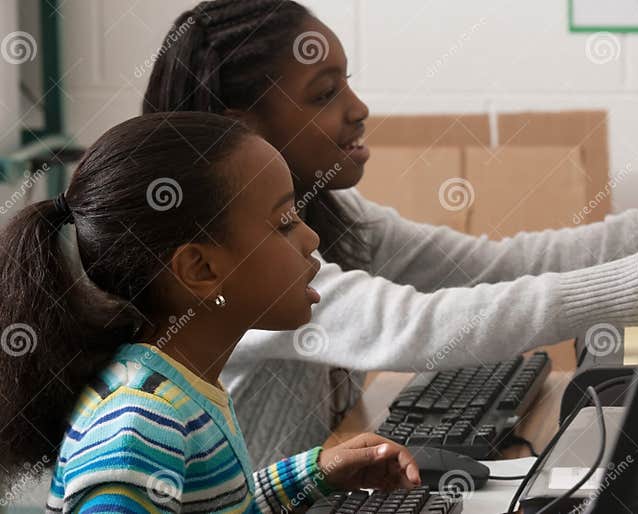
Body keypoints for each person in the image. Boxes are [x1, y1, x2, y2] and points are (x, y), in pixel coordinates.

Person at [143, 0, 638, 466]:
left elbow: (496, 264)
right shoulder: (232, 265)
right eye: (325, 93)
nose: (359, 108)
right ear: (244, 132)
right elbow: (420, 326)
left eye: (347, 82)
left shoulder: (327, 213)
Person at [0, 112, 419, 513]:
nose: (310, 238)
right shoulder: (140, 426)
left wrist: (315, 473)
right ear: (200, 270)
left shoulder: (182, 387)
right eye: (285, 222)